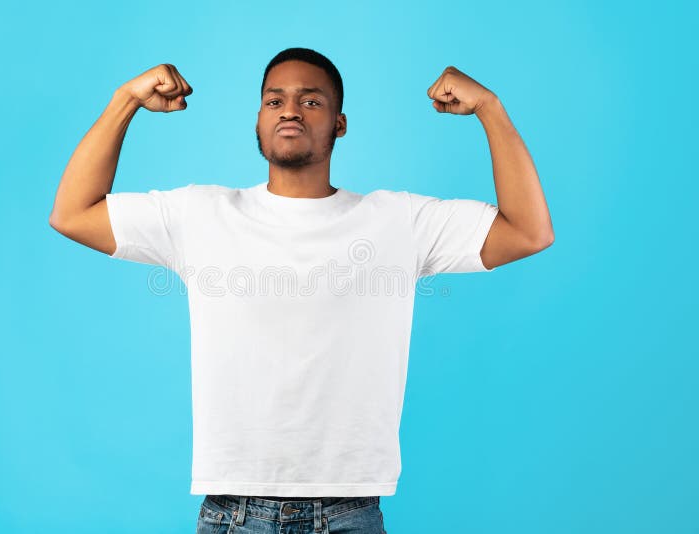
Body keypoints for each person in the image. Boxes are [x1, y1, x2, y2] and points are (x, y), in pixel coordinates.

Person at [49, 47, 554, 534]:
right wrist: (125, 100)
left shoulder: (398, 220)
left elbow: (528, 232)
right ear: (258, 121)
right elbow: (73, 213)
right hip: (234, 512)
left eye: (310, 100)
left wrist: (490, 108)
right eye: (275, 100)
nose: (290, 110)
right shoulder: (200, 214)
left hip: (351, 511)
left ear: (340, 123)